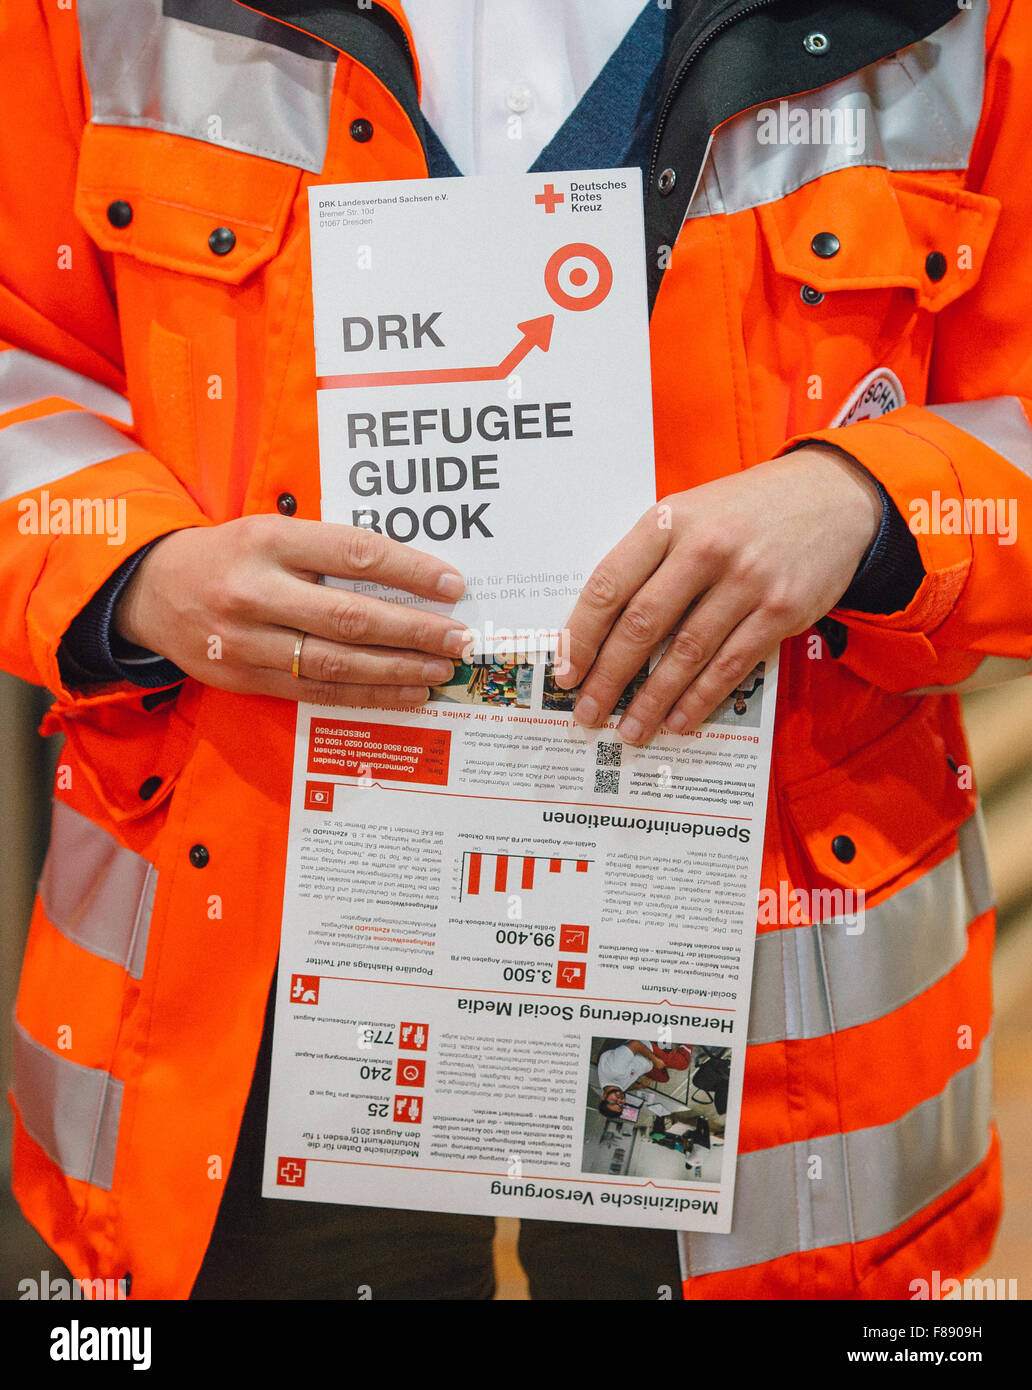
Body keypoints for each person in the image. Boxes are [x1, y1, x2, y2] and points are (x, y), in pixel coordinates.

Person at [2, 0, 1028, 1301]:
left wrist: (869, 504)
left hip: (765, 1029)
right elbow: (20, 355)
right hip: (250, 995)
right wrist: (137, 575)